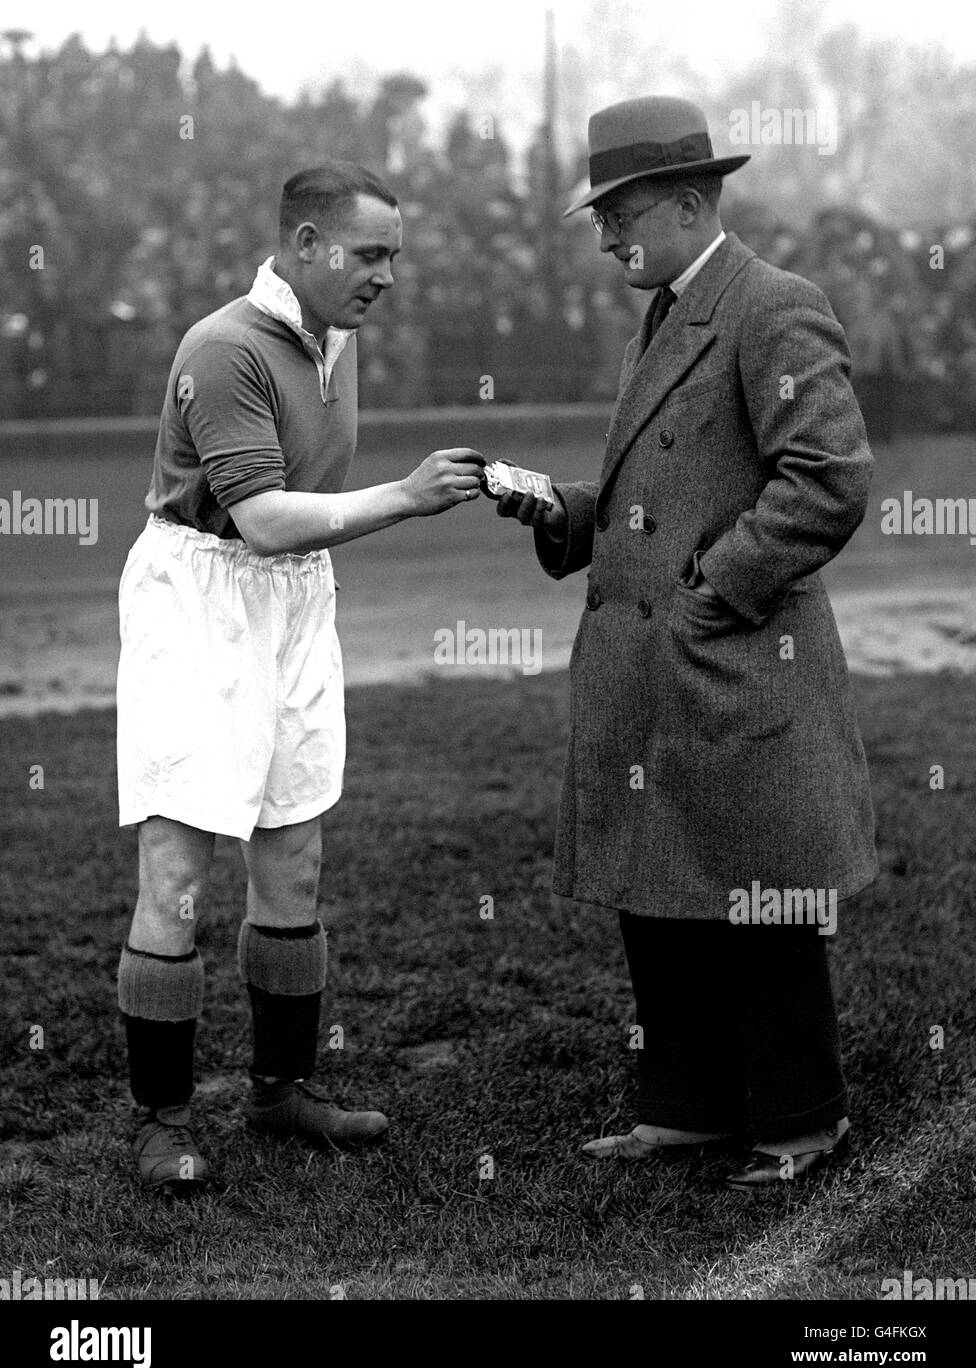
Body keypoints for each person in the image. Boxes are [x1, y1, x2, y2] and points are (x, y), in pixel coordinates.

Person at [496, 97, 877, 1188]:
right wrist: (561, 511)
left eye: (620, 212)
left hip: (737, 659)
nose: (606, 234)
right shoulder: (668, 312)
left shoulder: (773, 307)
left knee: (756, 900)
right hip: (661, 672)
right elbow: (660, 492)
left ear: (690, 201)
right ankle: (689, 1105)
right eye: (600, 215)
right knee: (661, 891)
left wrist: (715, 588)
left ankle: (801, 1115)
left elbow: (830, 480)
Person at [116, 160, 485, 1193]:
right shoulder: (223, 345)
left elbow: (297, 532)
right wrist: (408, 498)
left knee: (294, 856)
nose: (386, 277)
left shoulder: (340, 338)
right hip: (199, 595)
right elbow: (263, 517)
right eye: (370, 254)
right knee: (179, 866)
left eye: (395, 258)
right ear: (307, 243)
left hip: (294, 595)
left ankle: (280, 1090)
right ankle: (162, 1118)